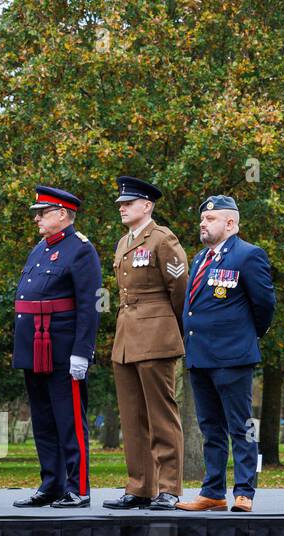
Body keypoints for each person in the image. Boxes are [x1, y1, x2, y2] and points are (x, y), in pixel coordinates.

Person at [176, 195, 275, 513]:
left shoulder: (248, 256)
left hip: (233, 357)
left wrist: (246, 337)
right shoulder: (199, 259)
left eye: (211, 219)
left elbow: (264, 305)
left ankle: (245, 491)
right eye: (202, 219)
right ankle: (213, 491)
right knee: (210, 428)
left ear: (230, 223)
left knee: (242, 426)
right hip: (200, 355)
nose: (203, 224)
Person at [11, 185, 103, 508]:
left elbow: (89, 306)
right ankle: (52, 483)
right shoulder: (39, 248)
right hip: (35, 348)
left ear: (63, 214)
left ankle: (78, 488)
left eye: (42, 213)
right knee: (44, 420)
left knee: (70, 420)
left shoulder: (80, 249)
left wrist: (82, 351)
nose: (36, 218)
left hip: (63, 349)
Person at [102, 176, 188, 511]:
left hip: (156, 335)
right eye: (121, 204)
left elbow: (179, 289)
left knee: (161, 415)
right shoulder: (124, 243)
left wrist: (172, 329)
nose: (122, 208)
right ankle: (139, 487)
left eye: (128, 203)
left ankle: (168, 488)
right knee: (132, 417)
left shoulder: (162, 238)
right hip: (126, 337)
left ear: (147, 206)